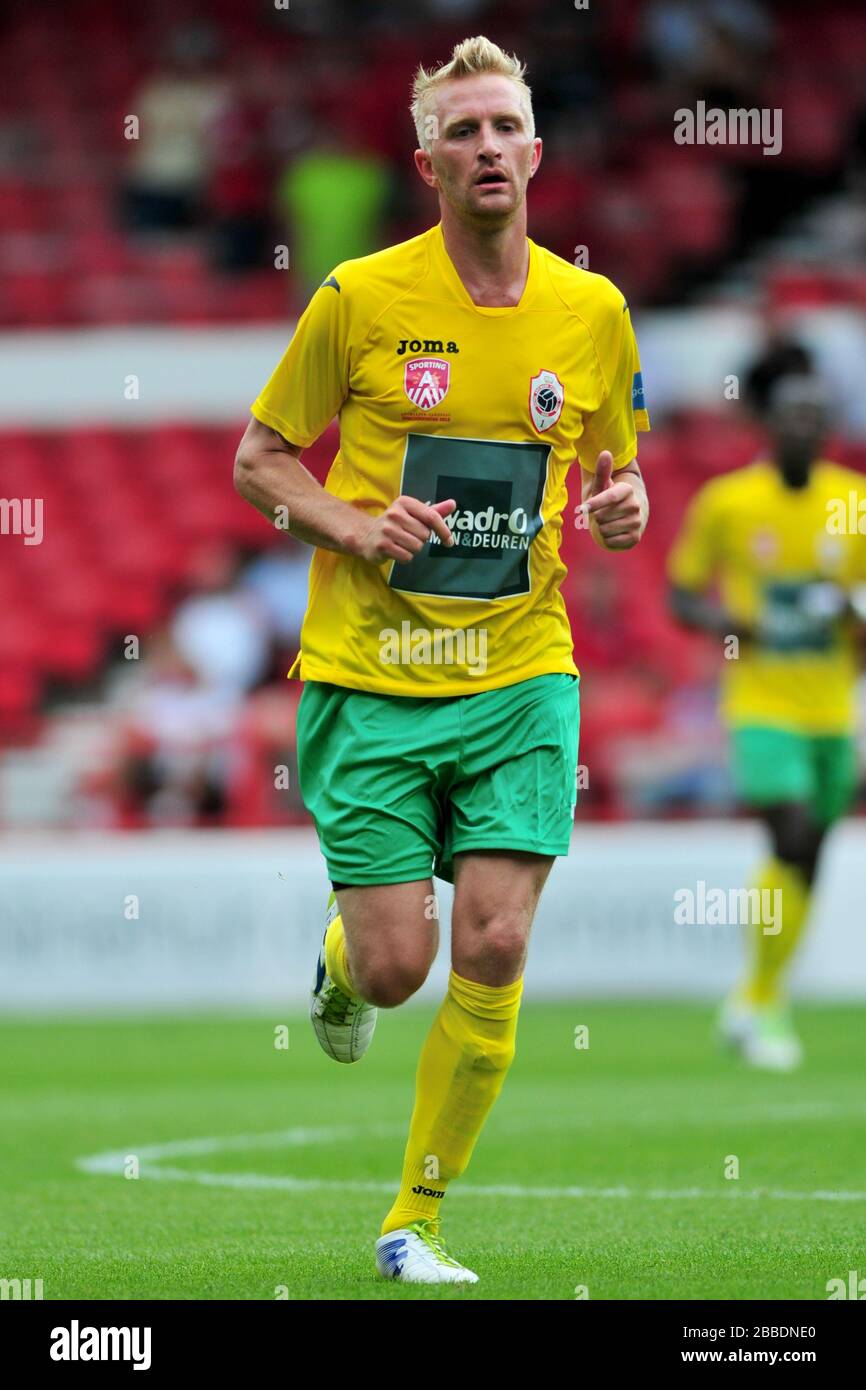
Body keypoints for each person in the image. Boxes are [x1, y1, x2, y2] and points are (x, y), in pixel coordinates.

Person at [234, 35, 650, 1284]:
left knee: (498, 944)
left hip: (522, 672)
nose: (483, 147)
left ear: (534, 150)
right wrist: (356, 523)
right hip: (369, 672)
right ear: (426, 162)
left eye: (501, 126)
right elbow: (259, 458)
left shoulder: (594, 313)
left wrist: (622, 504)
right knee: (396, 964)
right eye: (458, 131)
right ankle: (339, 967)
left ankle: (410, 1220)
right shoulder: (359, 299)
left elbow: (612, 472)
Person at [668, 375, 866, 1070]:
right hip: (761, 705)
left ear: (830, 427)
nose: (804, 429)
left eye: (817, 417)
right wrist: (726, 622)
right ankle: (766, 1003)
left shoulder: (854, 502)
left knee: (807, 852)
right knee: (790, 827)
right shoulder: (728, 503)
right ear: (768, 425)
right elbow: (681, 592)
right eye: (792, 416)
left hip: (834, 709)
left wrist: (853, 615)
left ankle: (754, 996)